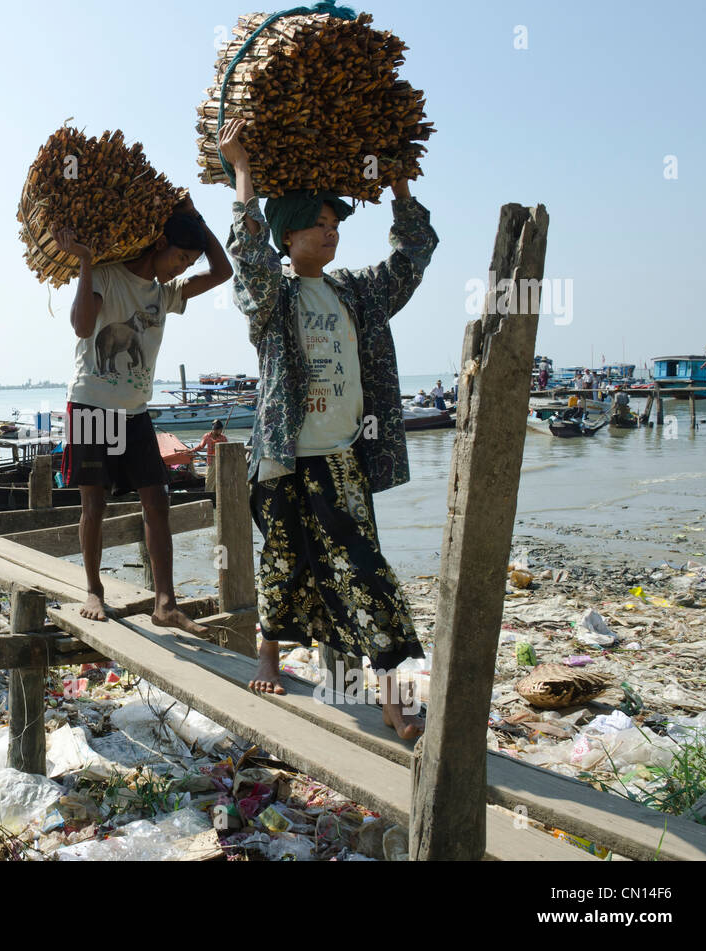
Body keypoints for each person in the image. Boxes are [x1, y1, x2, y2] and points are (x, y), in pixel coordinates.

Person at [220, 118, 437, 740]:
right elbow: (249, 257)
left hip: (340, 458)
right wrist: (243, 175)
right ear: (287, 235)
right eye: (318, 223)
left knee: (366, 569)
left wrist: (398, 190)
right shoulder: (273, 299)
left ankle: (395, 693)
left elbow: (411, 259)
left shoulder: (356, 294)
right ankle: (268, 654)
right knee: (283, 562)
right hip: (283, 459)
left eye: (336, 224)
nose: (331, 231)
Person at [54, 192, 233, 634]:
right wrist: (85, 261)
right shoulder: (109, 277)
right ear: (158, 244)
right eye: (180, 256)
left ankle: (166, 603)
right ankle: (94, 588)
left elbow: (223, 271)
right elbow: (80, 327)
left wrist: (197, 220)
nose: (184, 267)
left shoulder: (165, 294)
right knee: (93, 504)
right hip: (92, 405)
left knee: (158, 501)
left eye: (190, 260)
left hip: (135, 413)